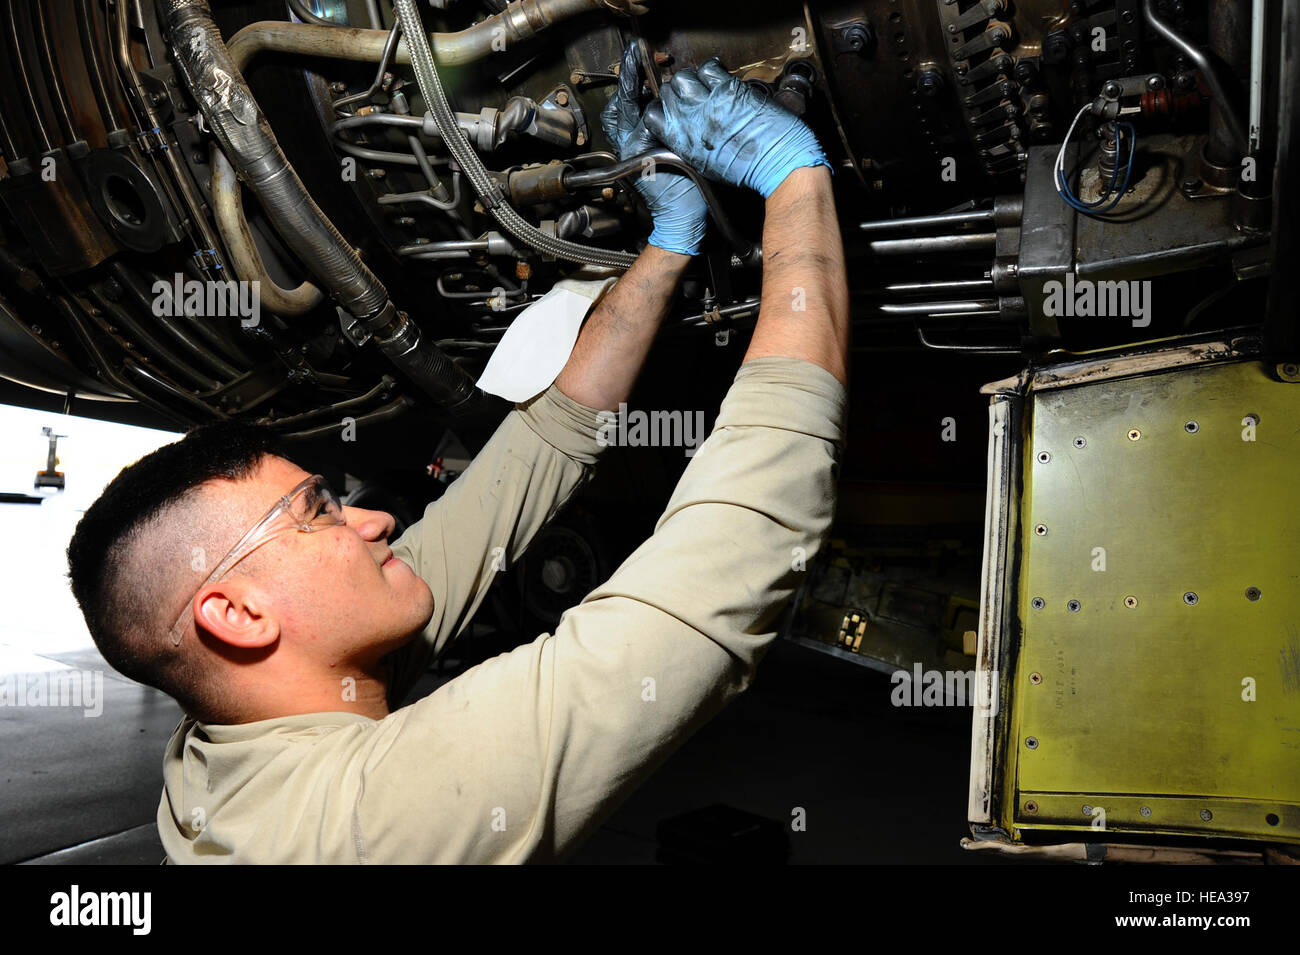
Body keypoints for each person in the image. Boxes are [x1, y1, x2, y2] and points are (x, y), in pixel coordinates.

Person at [65, 44, 849, 863]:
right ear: (238, 613)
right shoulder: (365, 826)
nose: (373, 520)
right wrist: (794, 175)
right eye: (318, 514)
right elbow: (743, 546)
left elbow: (547, 439)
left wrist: (671, 237)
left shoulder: (242, 729)